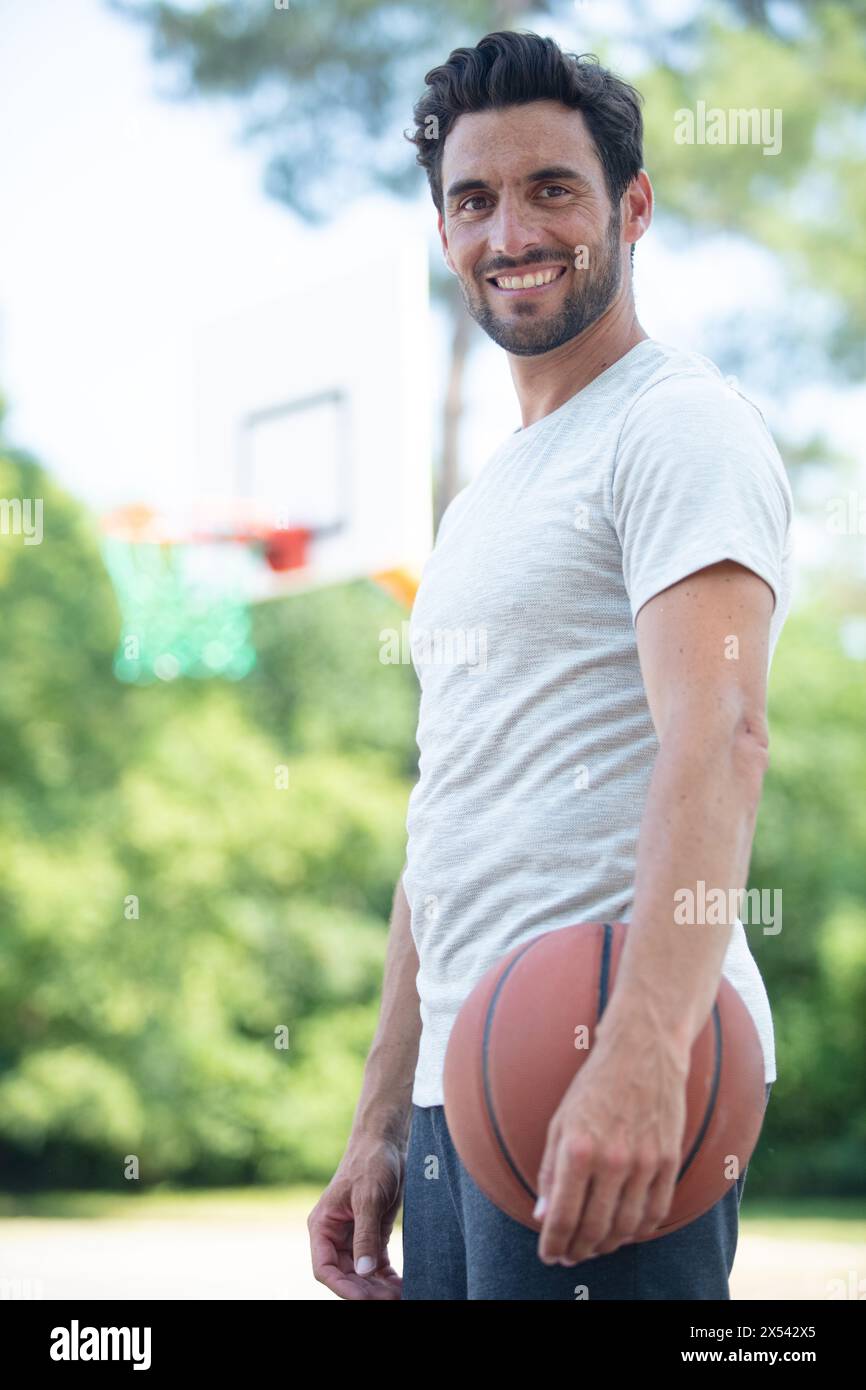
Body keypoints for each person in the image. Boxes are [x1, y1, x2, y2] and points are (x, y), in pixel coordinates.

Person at [308, 30, 791, 1301]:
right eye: (473, 199)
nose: (509, 228)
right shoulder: (480, 505)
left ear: (631, 207)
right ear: (443, 229)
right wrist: (379, 1116)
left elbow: (720, 733)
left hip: (598, 1071)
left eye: (551, 188)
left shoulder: (674, 422)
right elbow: (445, 817)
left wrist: (645, 1042)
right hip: (452, 1102)